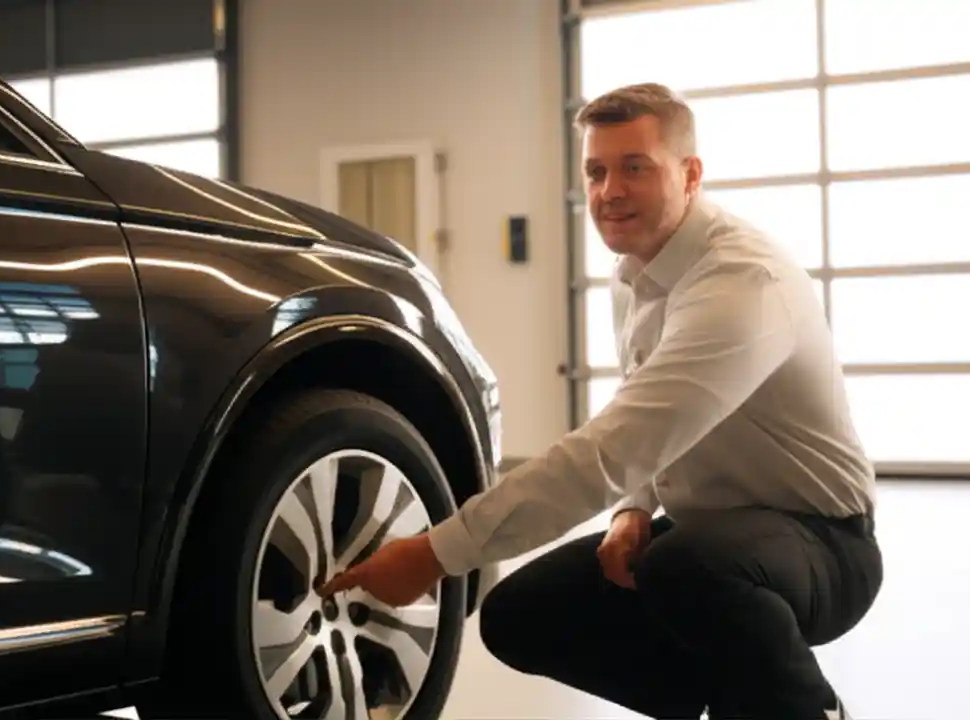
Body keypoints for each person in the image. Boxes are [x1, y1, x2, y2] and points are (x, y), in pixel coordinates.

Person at [318, 82, 882, 720]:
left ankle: (806, 709)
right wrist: (633, 510)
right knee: (519, 615)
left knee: (684, 568)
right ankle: (728, 693)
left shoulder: (742, 283)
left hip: (823, 545)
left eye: (634, 168)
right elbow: (648, 411)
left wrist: (434, 554)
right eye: (596, 171)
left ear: (690, 175)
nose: (609, 191)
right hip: (711, 536)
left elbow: (615, 447)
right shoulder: (635, 274)